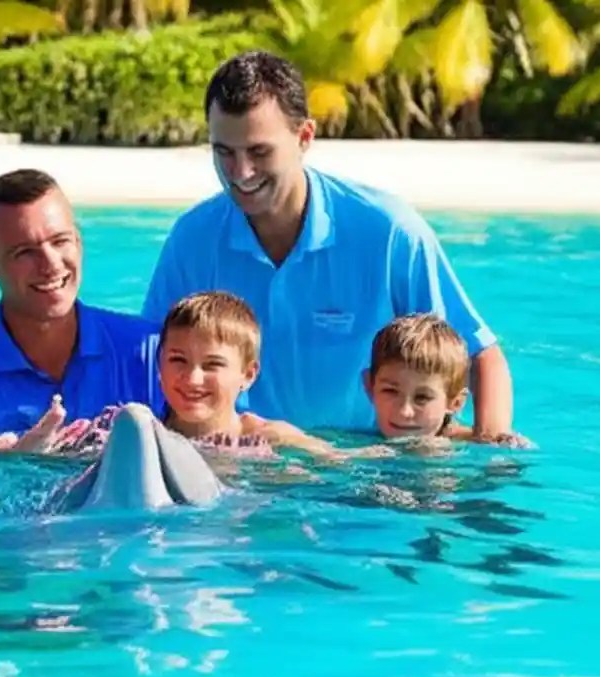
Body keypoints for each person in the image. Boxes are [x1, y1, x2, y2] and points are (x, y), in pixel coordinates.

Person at [142, 50, 514, 438]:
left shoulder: (388, 231)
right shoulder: (192, 238)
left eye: (259, 151)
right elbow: (149, 354)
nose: (241, 173)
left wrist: (491, 449)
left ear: (304, 137)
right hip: (250, 468)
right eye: (224, 153)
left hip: (367, 471)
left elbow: (478, 354)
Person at [0, 168, 165, 446]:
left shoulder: (154, 353)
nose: (51, 264)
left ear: (79, 242)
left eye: (60, 241)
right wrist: (17, 454)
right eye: (25, 252)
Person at [50, 291, 390, 462]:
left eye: (212, 365)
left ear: (249, 373)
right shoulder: (128, 433)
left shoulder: (268, 438)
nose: (192, 378)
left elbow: (346, 464)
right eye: (178, 360)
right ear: (159, 363)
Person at [364, 313, 529, 447]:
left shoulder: (462, 443)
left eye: (422, 398)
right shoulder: (363, 444)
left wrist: (508, 444)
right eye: (391, 391)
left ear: (455, 402)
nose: (404, 411)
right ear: (369, 387)